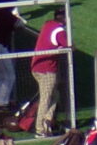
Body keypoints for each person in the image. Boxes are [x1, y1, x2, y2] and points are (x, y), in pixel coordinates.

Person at [29, 9, 69, 137]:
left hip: (36, 66)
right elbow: (69, 46)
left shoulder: (47, 24)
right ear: (63, 18)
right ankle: (40, 129)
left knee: (54, 95)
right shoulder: (59, 31)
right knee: (46, 98)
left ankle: (47, 122)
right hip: (47, 70)